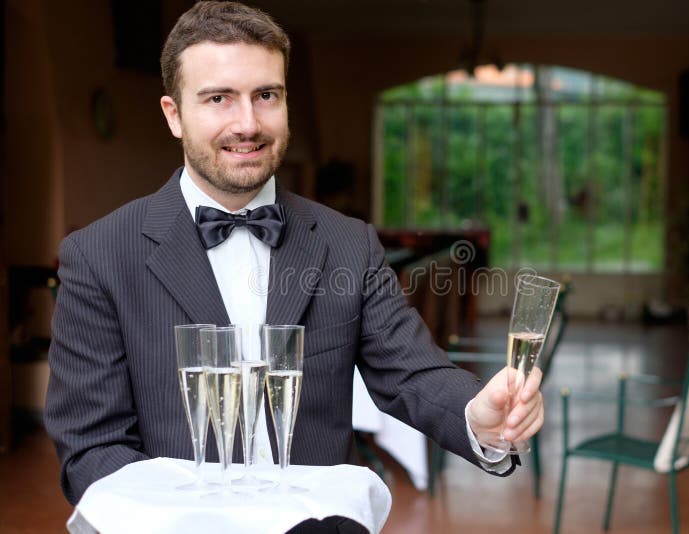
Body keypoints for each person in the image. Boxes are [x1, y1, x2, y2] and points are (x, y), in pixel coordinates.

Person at [44, 0, 544, 512]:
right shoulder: (98, 255)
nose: (248, 123)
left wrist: (477, 413)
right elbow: (92, 448)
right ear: (174, 115)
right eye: (219, 98)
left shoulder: (348, 242)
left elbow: (411, 372)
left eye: (266, 95)